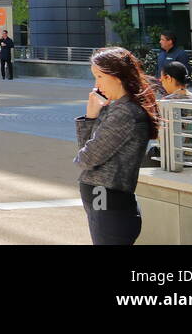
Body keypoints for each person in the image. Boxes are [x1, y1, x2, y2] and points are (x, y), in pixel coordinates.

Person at [74, 46, 160, 245]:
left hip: (108, 201)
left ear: (117, 75)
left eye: (100, 77)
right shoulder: (118, 109)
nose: (96, 84)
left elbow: (86, 158)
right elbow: (87, 150)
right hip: (105, 201)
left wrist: (91, 118)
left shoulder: (124, 113)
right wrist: (91, 116)